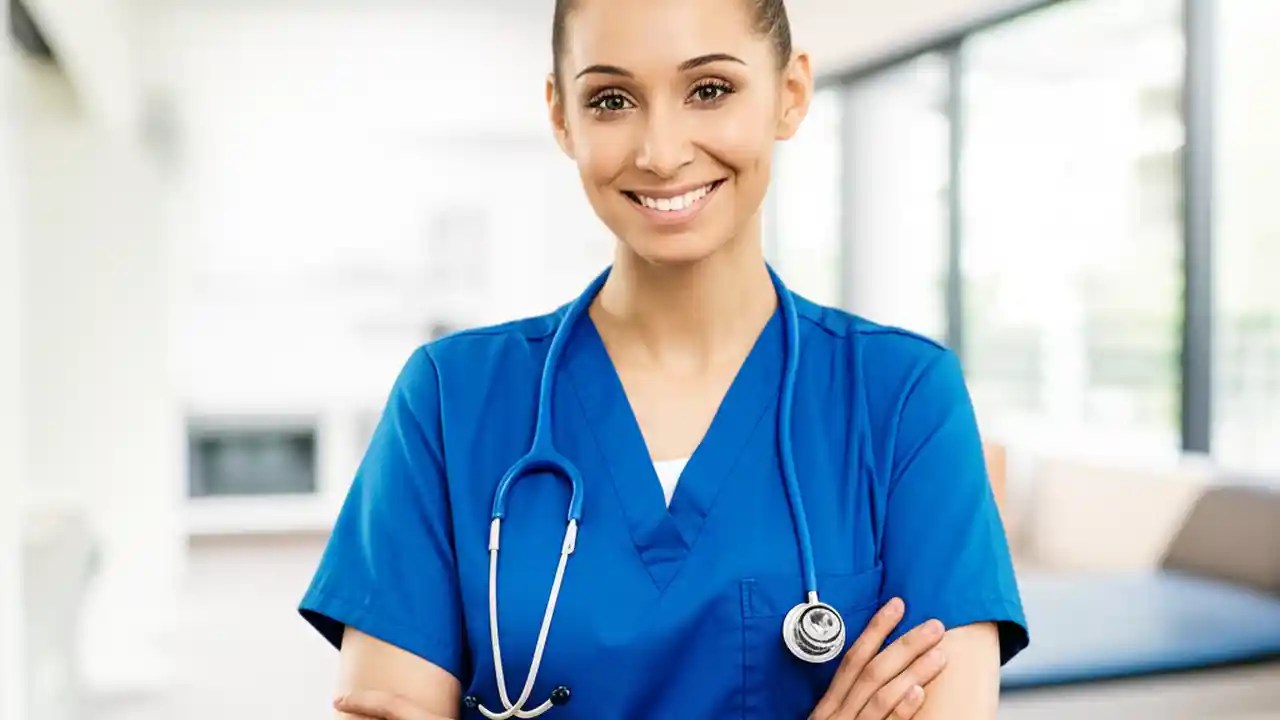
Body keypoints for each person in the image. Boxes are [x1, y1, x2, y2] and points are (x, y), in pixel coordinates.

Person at [299, 0, 1030, 717]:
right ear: (562, 117)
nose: (661, 151)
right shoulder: (449, 402)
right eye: (612, 100)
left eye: (709, 90)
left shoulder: (903, 400)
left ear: (791, 94)